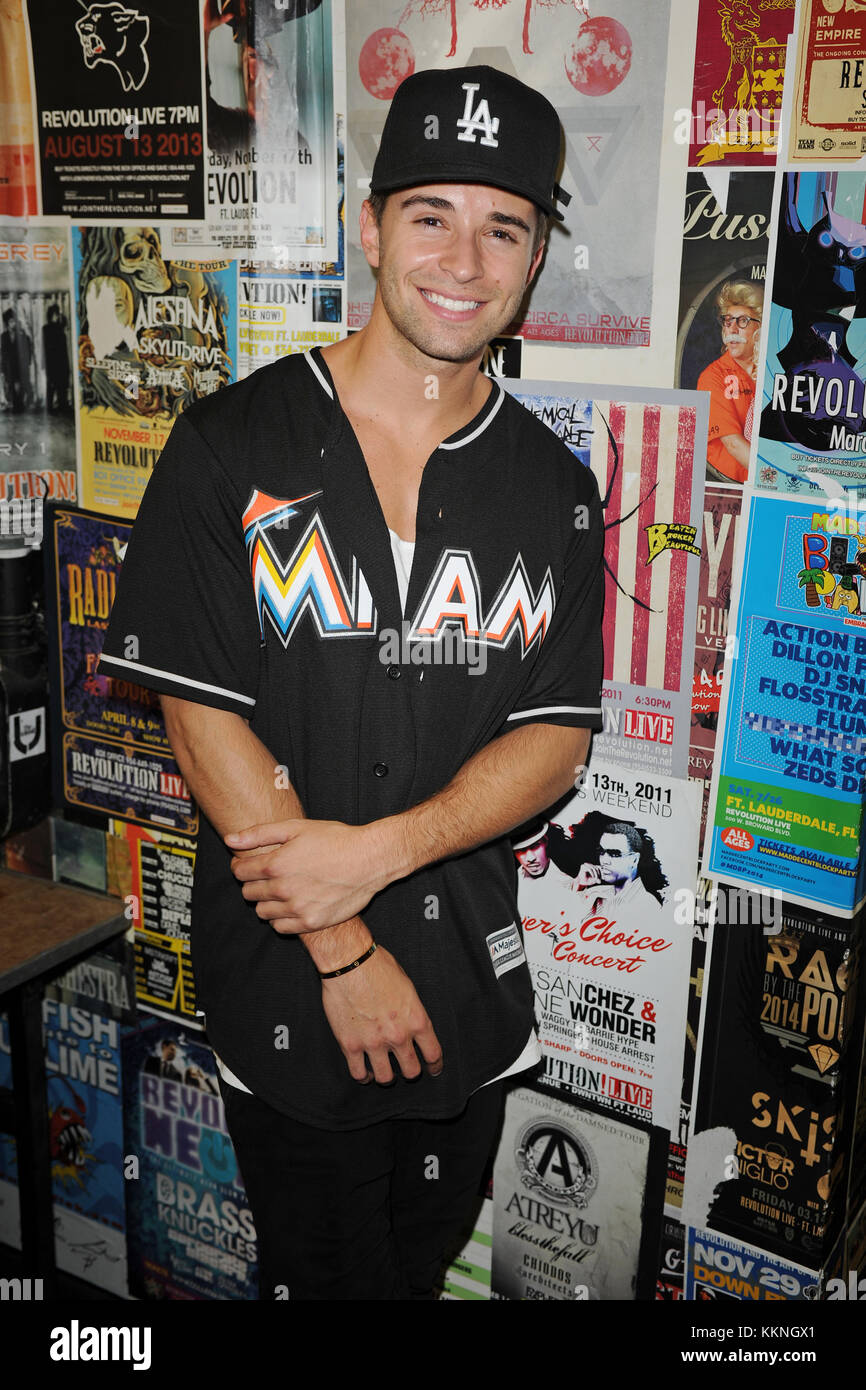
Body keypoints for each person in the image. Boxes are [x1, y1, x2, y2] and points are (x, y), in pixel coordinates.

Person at [98, 65, 605, 1300]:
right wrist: (339, 944)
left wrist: (377, 856)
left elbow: (555, 743)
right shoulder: (231, 441)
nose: (466, 258)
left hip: (466, 997)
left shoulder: (553, 487)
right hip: (289, 982)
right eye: (430, 213)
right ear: (367, 227)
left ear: (534, 258)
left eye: (506, 227)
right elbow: (197, 707)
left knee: (418, 1278)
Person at [697, 280, 763, 485]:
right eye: (728, 321)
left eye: (743, 321)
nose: (732, 328)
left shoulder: (772, 371)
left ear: (760, 327)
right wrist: (776, 479)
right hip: (728, 488)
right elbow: (733, 444)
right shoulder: (713, 376)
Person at [573, 822, 667, 915]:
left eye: (614, 853)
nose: (604, 860)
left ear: (634, 859)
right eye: (601, 851)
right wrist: (579, 886)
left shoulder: (649, 906)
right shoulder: (595, 894)